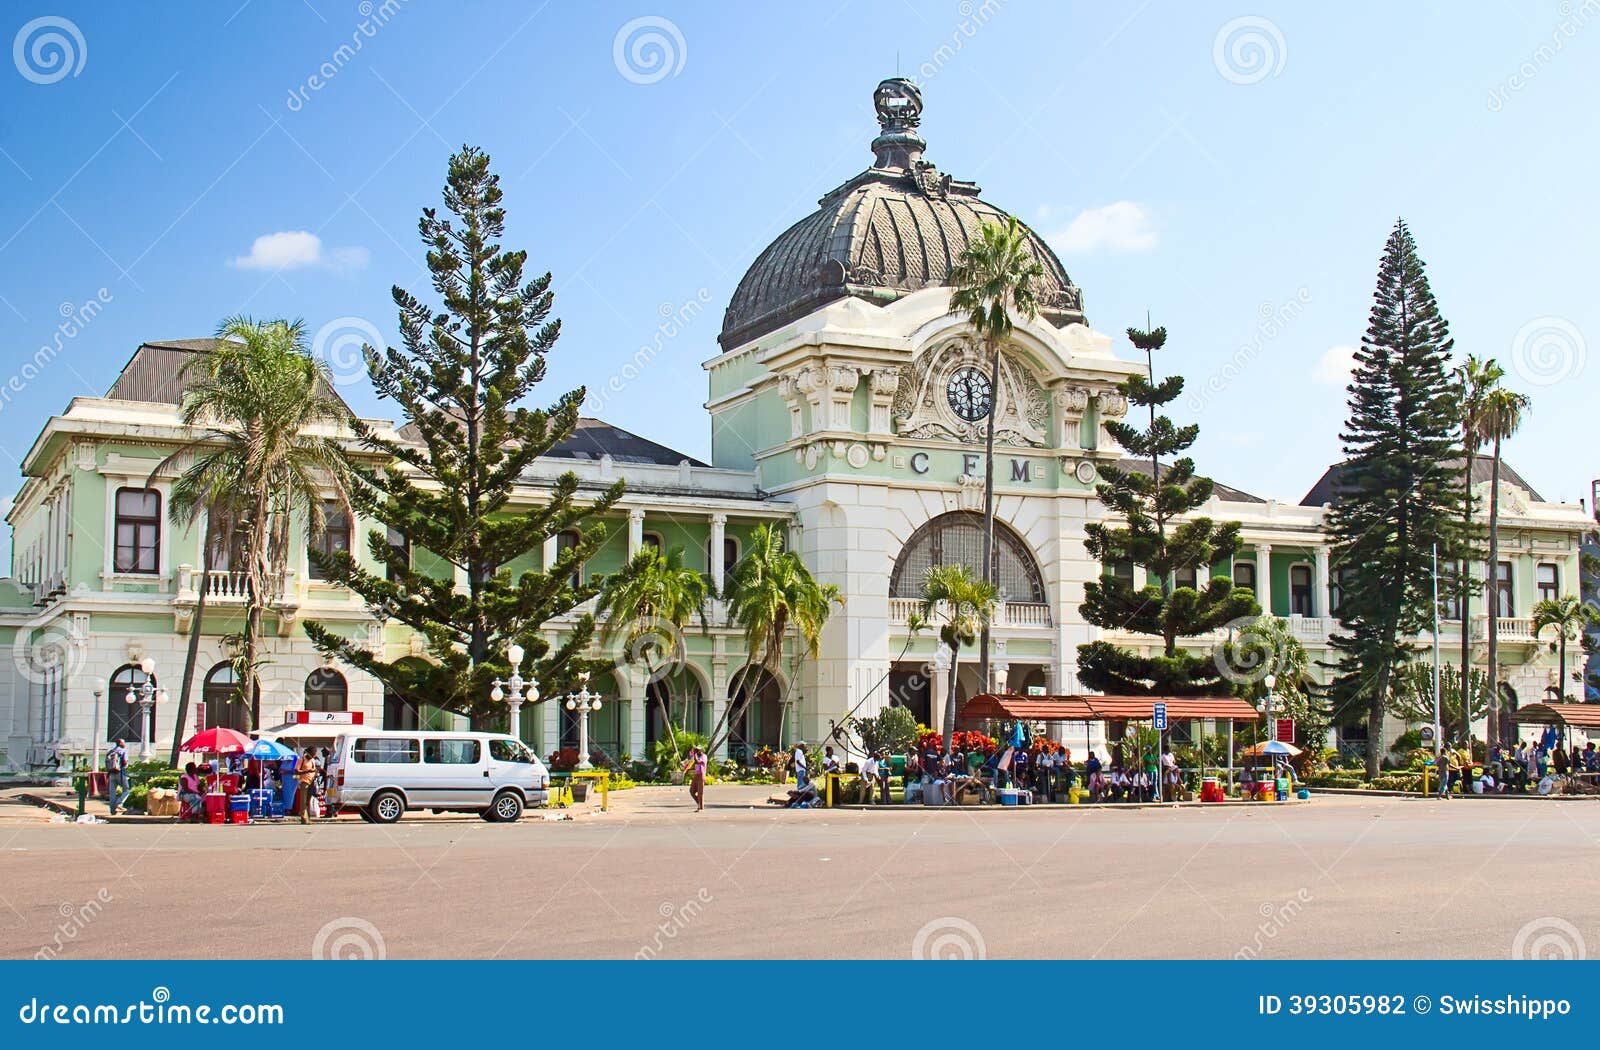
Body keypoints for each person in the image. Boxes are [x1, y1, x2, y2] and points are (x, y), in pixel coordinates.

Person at [295, 749, 321, 824]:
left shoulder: (312, 760)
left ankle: (308, 818)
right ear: (308, 753)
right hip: (304, 782)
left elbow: (313, 769)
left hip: (311, 782)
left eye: (314, 754)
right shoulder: (302, 760)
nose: (313, 756)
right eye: (312, 754)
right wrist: (307, 771)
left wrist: (315, 774)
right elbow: (296, 771)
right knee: (303, 801)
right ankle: (304, 819)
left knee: (308, 801)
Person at [681, 746, 707, 812]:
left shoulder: (704, 756)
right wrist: (685, 765)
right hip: (696, 775)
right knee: (692, 791)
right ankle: (700, 804)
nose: (696, 751)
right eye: (695, 750)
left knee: (700, 793)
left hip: (701, 775)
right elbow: (694, 764)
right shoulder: (696, 757)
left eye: (697, 750)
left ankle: (701, 808)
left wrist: (694, 755)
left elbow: (698, 762)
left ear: (701, 750)